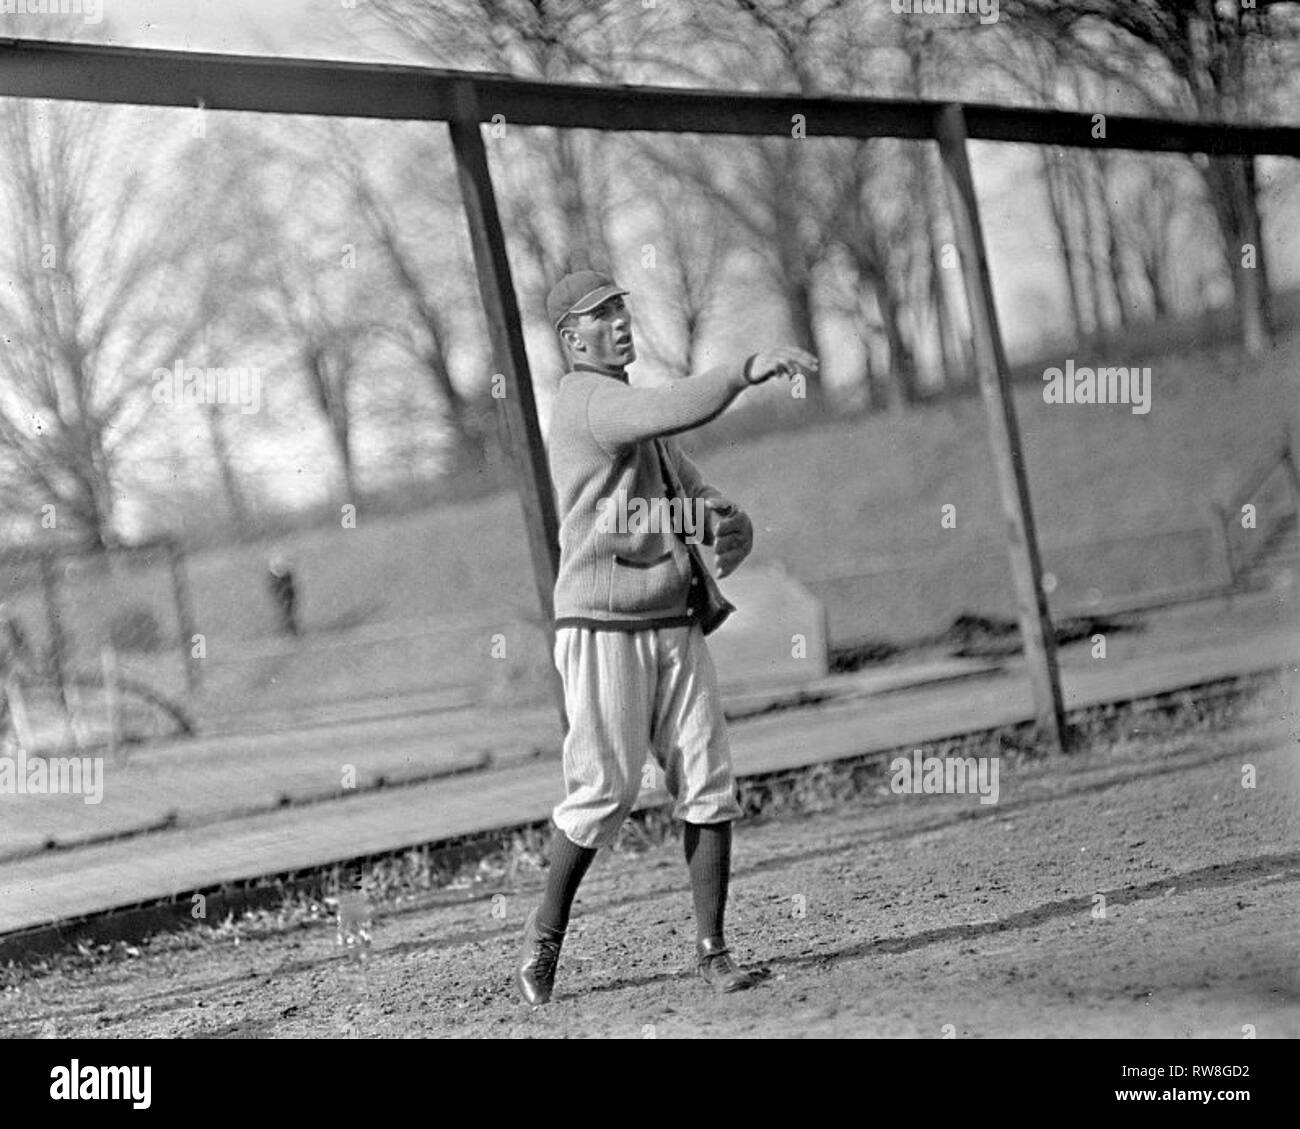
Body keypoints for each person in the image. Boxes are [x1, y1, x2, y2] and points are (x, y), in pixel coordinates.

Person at [515, 269, 818, 1005]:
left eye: (621, 307)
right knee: (606, 791)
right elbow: (672, 408)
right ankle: (543, 939)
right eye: (600, 314)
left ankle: (714, 951)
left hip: (672, 621)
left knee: (709, 780)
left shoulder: (634, 425)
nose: (620, 321)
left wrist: (723, 516)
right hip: (602, 626)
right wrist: (744, 370)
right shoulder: (587, 401)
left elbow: (682, 491)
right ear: (570, 339)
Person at [267, 553, 299, 636]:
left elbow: (290, 585)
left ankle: (289, 628)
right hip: (282, 597)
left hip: (288, 596)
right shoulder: (273, 578)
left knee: (288, 612)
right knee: (285, 613)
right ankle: (289, 629)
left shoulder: (286, 575)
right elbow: (274, 588)